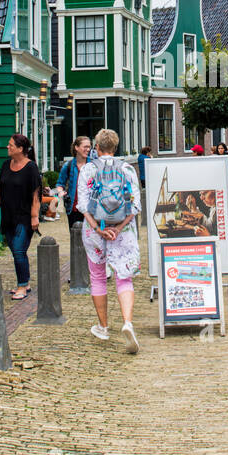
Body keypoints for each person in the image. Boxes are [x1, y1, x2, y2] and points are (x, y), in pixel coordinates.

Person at [77, 128, 142, 354]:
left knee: (97, 277)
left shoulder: (88, 169)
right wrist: (119, 227)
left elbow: (83, 205)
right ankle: (127, 322)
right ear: (115, 147)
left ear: (96, 147)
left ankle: (103, 327)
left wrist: (99, 228)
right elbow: (135, 206)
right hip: (122, 231)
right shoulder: (127, 169)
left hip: (95, 231)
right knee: (124, 277)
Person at [0, 133, 41, 302]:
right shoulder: (6, 165)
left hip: (24, 216)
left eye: (11, 145)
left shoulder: (31, 168)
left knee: (19, 250)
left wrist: (35, 217)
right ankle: (25, 282)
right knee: (15, 251)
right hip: (8, 215)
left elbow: (36, 194)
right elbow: (0, 189)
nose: (8, 147)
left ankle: (22, 285)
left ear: (20, 149)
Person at [57, 136, 91, 228]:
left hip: (90, 209)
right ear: (76, 147)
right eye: (85, 147)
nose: (88, 149)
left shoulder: (93, 165)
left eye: (89, 147)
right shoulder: (68, 166)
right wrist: (61, 192)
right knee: (75, 237)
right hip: (73, 209)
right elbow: (60, 184)